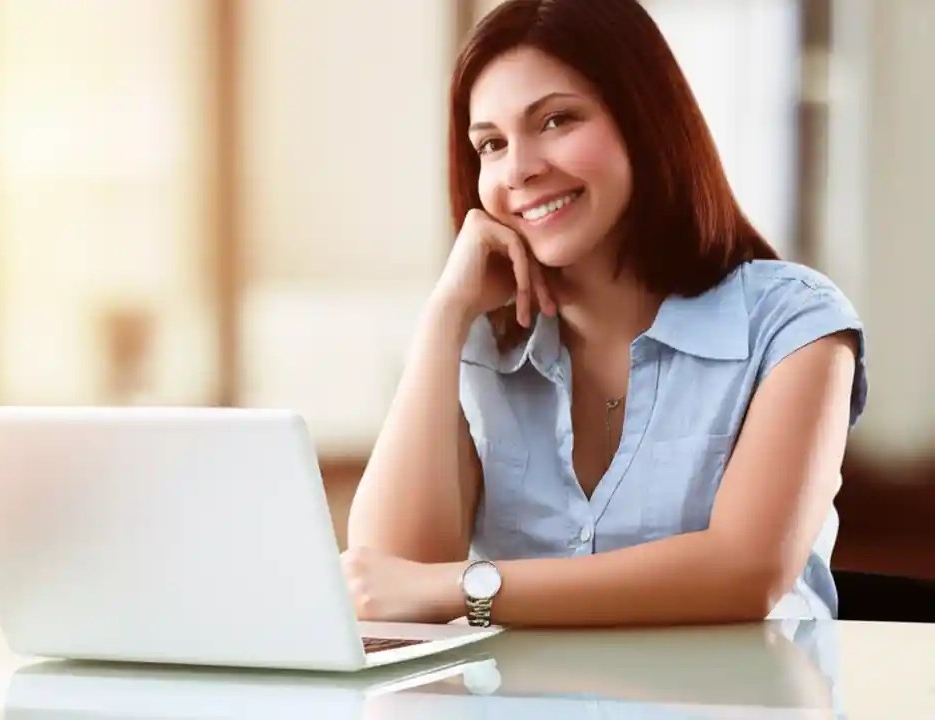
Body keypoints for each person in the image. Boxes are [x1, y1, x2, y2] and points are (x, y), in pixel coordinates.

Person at [342, 0, 867, 627]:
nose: (520, 169)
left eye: (557, 120)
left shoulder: (793, 323)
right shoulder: (479, 342)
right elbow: (387, 585)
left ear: (644, 120)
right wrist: (443, 317)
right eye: (491, 144)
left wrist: (466, 589)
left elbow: (744, 573)